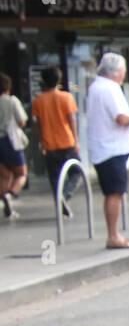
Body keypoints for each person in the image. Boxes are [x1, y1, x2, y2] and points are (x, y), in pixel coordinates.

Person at [85, 53, 129, 248]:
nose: (124, 75)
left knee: (115, 191)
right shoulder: (109, 89)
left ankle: (115, 234)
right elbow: (122, 118)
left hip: (106, 146)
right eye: (123, 71)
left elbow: (117, 121)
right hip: (111, 149)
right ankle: (113, 236)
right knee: (115, 192)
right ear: (115, 72)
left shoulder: (97, 87)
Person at [30, 67, 81, 219]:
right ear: (58, 80)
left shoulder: (38, 101)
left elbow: (38, 124)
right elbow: (72, 120)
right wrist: (76, 140)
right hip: (67, 142)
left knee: (54, 177)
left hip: (49, 145)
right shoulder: (66, 97)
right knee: (76, 172)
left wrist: (41, 142)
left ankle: (60, 199)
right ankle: (65, 194)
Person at [0, 72, 28, 218]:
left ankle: (7, 207)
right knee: (21, 174)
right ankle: (11, 195)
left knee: (4, 176)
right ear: (7, 87)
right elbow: (22, 121)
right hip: (10, 141)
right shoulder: (12, 101)